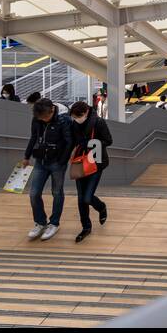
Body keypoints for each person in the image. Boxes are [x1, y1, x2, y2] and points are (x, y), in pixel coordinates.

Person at [22, 97, 74, 241]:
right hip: (41, 160)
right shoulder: (37, 117)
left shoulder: (64, 119)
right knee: (34, 193)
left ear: (52, 110)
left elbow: (69, 142)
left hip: (57, 162)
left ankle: (54, 223)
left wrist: (62, 161)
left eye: (46, 117)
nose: (43, 120)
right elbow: (34, 136)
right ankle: (40, 222)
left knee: (56, 192)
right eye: (41, 118)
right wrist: (27, 156)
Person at [68, 100, 112, 243]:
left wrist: (90, 144)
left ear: (86, 112)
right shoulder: (75, 123)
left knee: (87, 197)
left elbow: (108, 140)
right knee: (81, 198)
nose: (76, 120)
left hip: (96, 162)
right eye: (74, 117)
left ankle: (101, 207)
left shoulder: (98, 123)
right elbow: (74, 140)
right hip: (81, 162)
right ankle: (86, 227)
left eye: (78, 117)